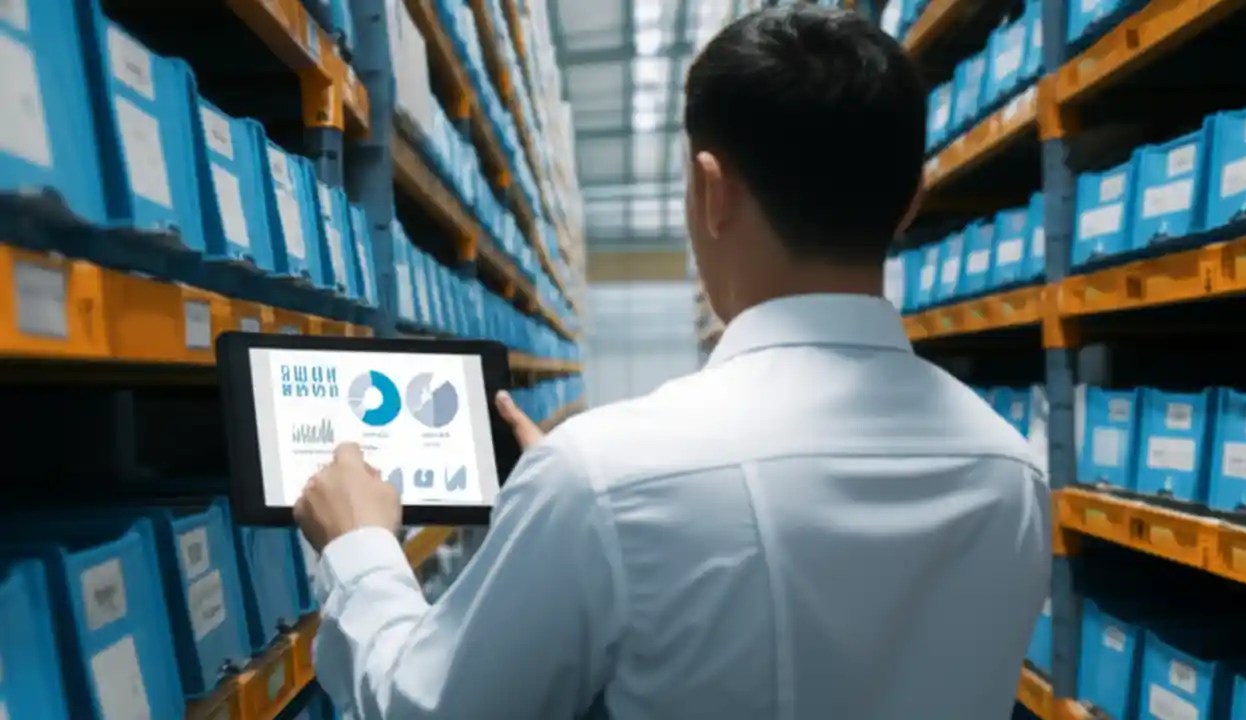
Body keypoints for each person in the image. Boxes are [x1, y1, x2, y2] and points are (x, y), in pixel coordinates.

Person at [294, 6, 1050, 719]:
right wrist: (571, 502)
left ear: (712, 192)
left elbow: (425, 706)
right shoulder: (1012, 471)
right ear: (911, 198)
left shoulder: (603, 478)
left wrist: (360, 547)